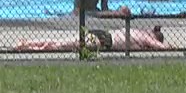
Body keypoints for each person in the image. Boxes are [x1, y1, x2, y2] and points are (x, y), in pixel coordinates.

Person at [15, 25, 172, 54]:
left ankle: (27, 43)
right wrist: (172, 48)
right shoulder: (145, 37)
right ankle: (30, 47)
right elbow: (158, 46)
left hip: (101, 35)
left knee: (61, 42)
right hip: (103, 40)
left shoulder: (136, 32)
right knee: (61, 46)